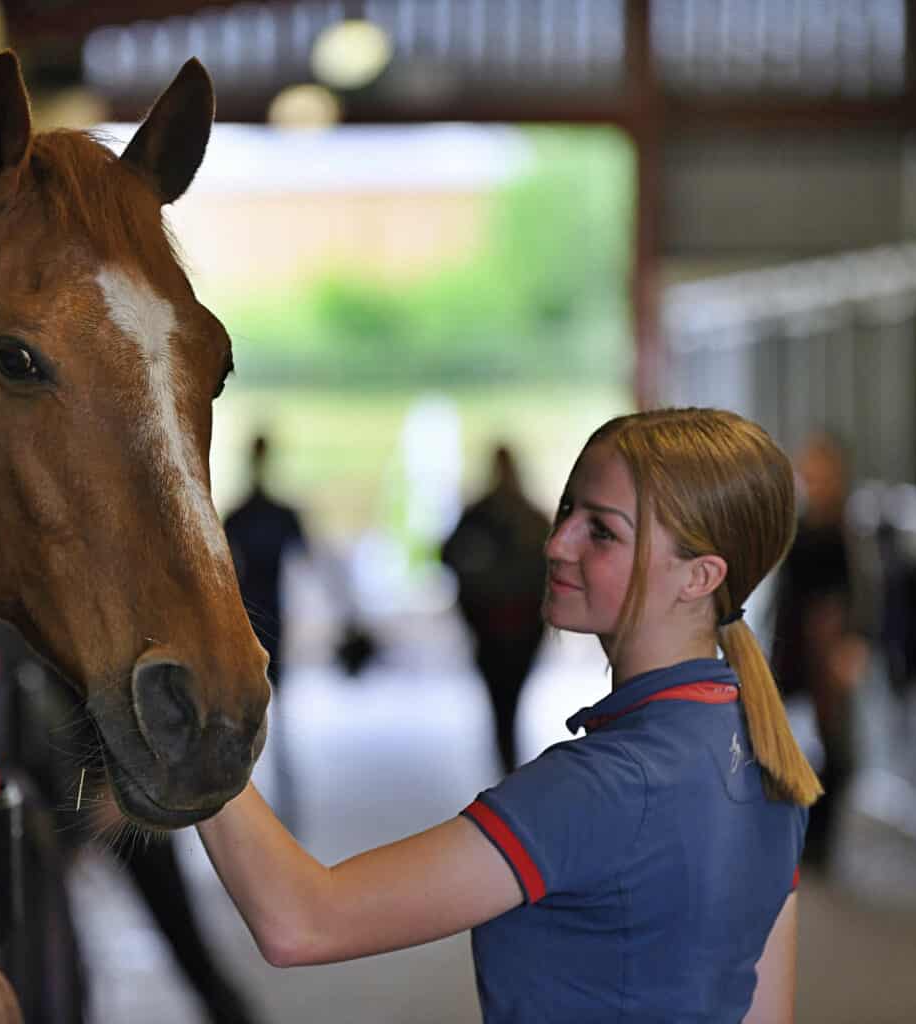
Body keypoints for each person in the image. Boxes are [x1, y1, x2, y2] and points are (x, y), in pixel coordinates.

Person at [196, 408, 818, 1023]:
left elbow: (303, 920)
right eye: (568, 510)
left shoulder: (601, 786)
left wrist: (193, 711)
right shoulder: (765, 754)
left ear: (700, 577)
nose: (556, 543)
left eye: (602, 532)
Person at [770, 432, 867, 872]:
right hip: (793, 651)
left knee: (832, 746)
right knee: (784, 740)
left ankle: (822, 837)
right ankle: (799, 829)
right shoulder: (802, 525)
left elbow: (855, 596)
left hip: (826, 653)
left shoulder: (844, 533)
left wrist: (850, 644)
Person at [441, 444, 551, 774]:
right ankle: (506, 759)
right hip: (503, 626)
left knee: (504, 701)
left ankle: (506, 759)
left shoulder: (508, 516)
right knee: (505, 701)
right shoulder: (527, 517)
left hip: (505, 626)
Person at [223, 432, 308, 828]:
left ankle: (253, 804)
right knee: (268, 714)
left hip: (253, 619)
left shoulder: (241, 516)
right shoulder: (273, 515)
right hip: (265, 619)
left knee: (256, 714)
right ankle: (266, 802)